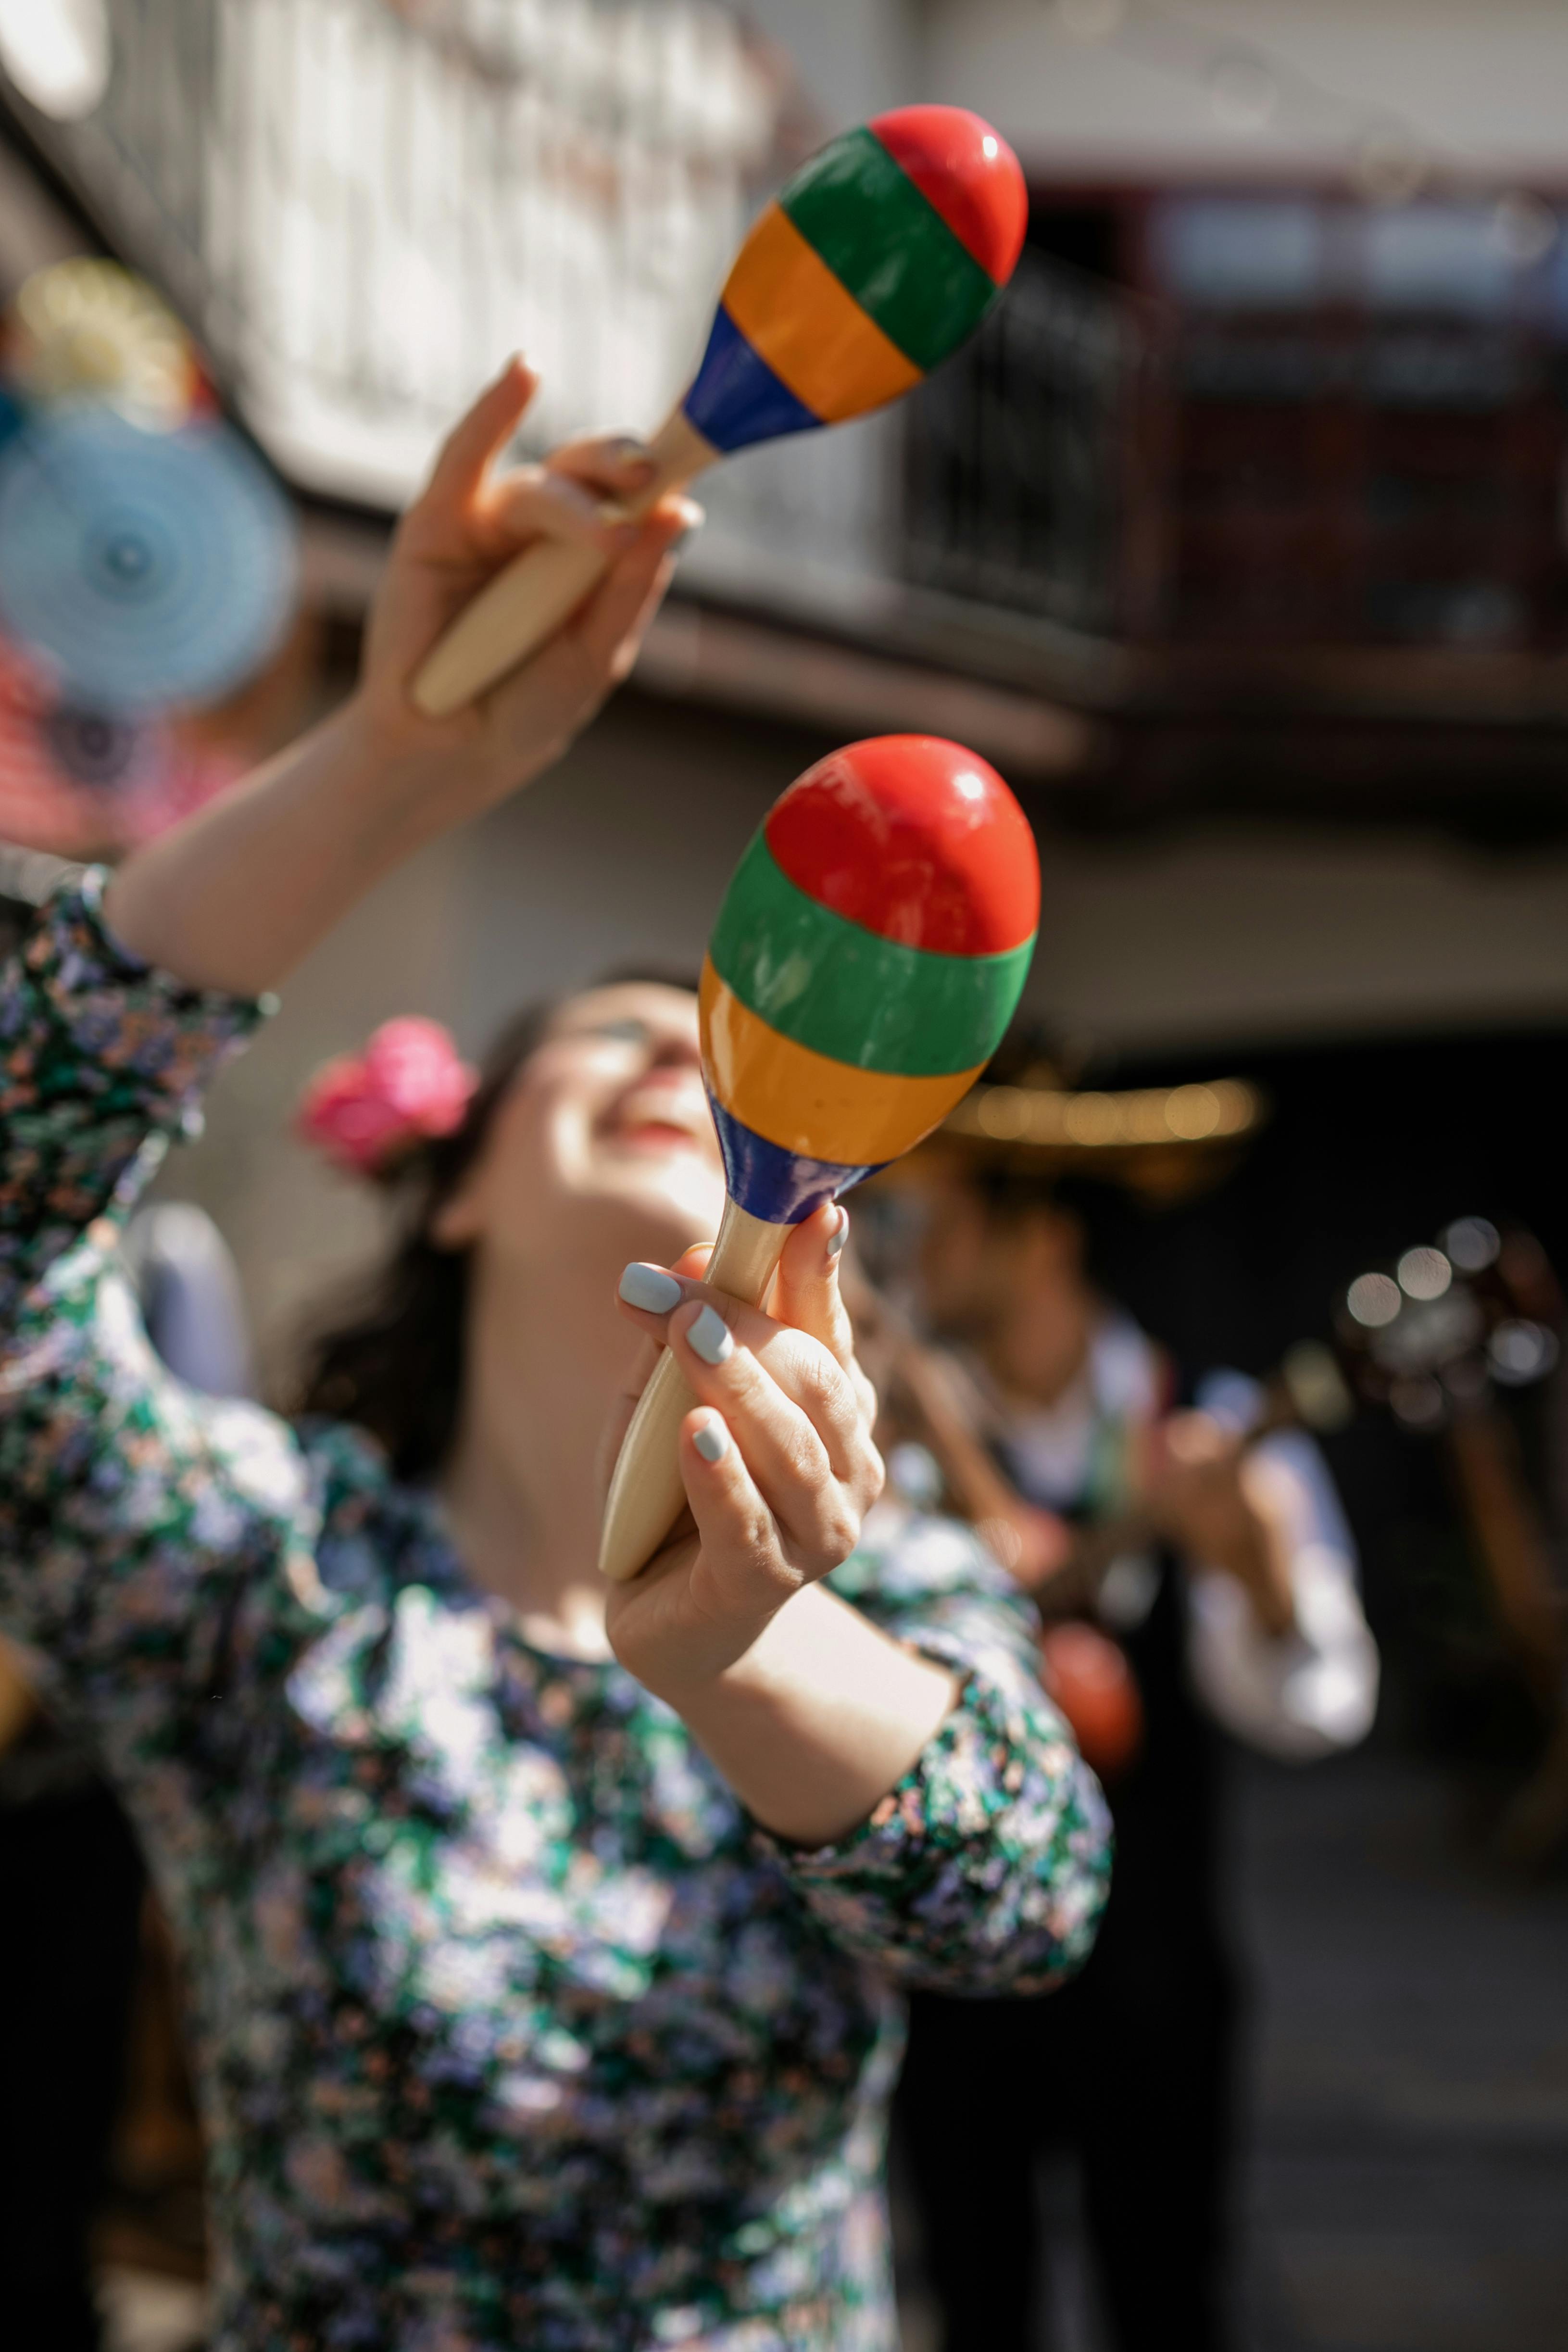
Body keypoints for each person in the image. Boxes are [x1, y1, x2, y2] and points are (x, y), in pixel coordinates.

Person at [0, 359, 1111, 2351]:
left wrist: (748, 1648)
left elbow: (1022, 1899)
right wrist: (384, 767)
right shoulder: (261, 1574)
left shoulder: (881, 1572)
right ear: (453, 1190)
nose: (670, 1061)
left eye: (697, 1043)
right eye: (605, 1035)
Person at [891, 1140, 1378, 2352]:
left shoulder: (1207, 1422)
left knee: (1167, 2293)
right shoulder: (901, 1441)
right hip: (949, 1978)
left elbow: (1318, 1707)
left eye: (941, 1224)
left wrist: (1258, 1566)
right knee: (971, 2291)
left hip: (1152, 1967)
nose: (915, 1256)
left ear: (1039, 1231)